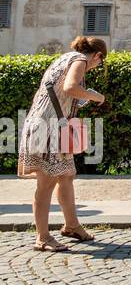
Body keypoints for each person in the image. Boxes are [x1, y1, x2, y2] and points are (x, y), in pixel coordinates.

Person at [18, 36, 108, 252]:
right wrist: (95, 96)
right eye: (100, 62)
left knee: (66, 176)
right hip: (46, 129)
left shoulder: (65, 58)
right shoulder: (80, 60)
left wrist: (82, 97)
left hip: (51, 127)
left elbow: (60, 92)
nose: (97, 66)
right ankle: (42, 237)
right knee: (46, 183)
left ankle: (72, 226)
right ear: (97, 55)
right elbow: (70, 87)